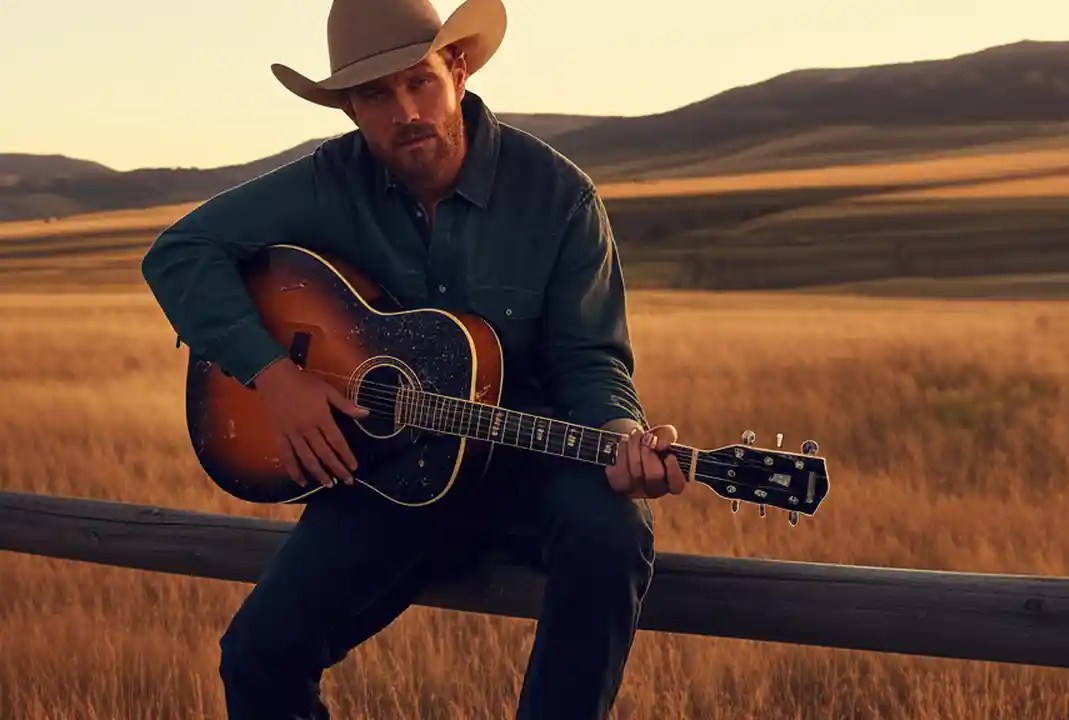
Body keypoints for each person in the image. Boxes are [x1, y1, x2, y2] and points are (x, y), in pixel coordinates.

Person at [139, 0, 688, 717]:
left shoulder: (558, 198)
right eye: (375, 94)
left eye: (419, 82)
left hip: (525, 464)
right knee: (257, 656)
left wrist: (617, 433)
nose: (405, 111)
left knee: (613, 531)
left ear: (456, 70)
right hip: (385, 474)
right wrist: (274, 376)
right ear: (350, 109)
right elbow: (179, 254)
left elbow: (591, 360)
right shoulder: (328, 183)